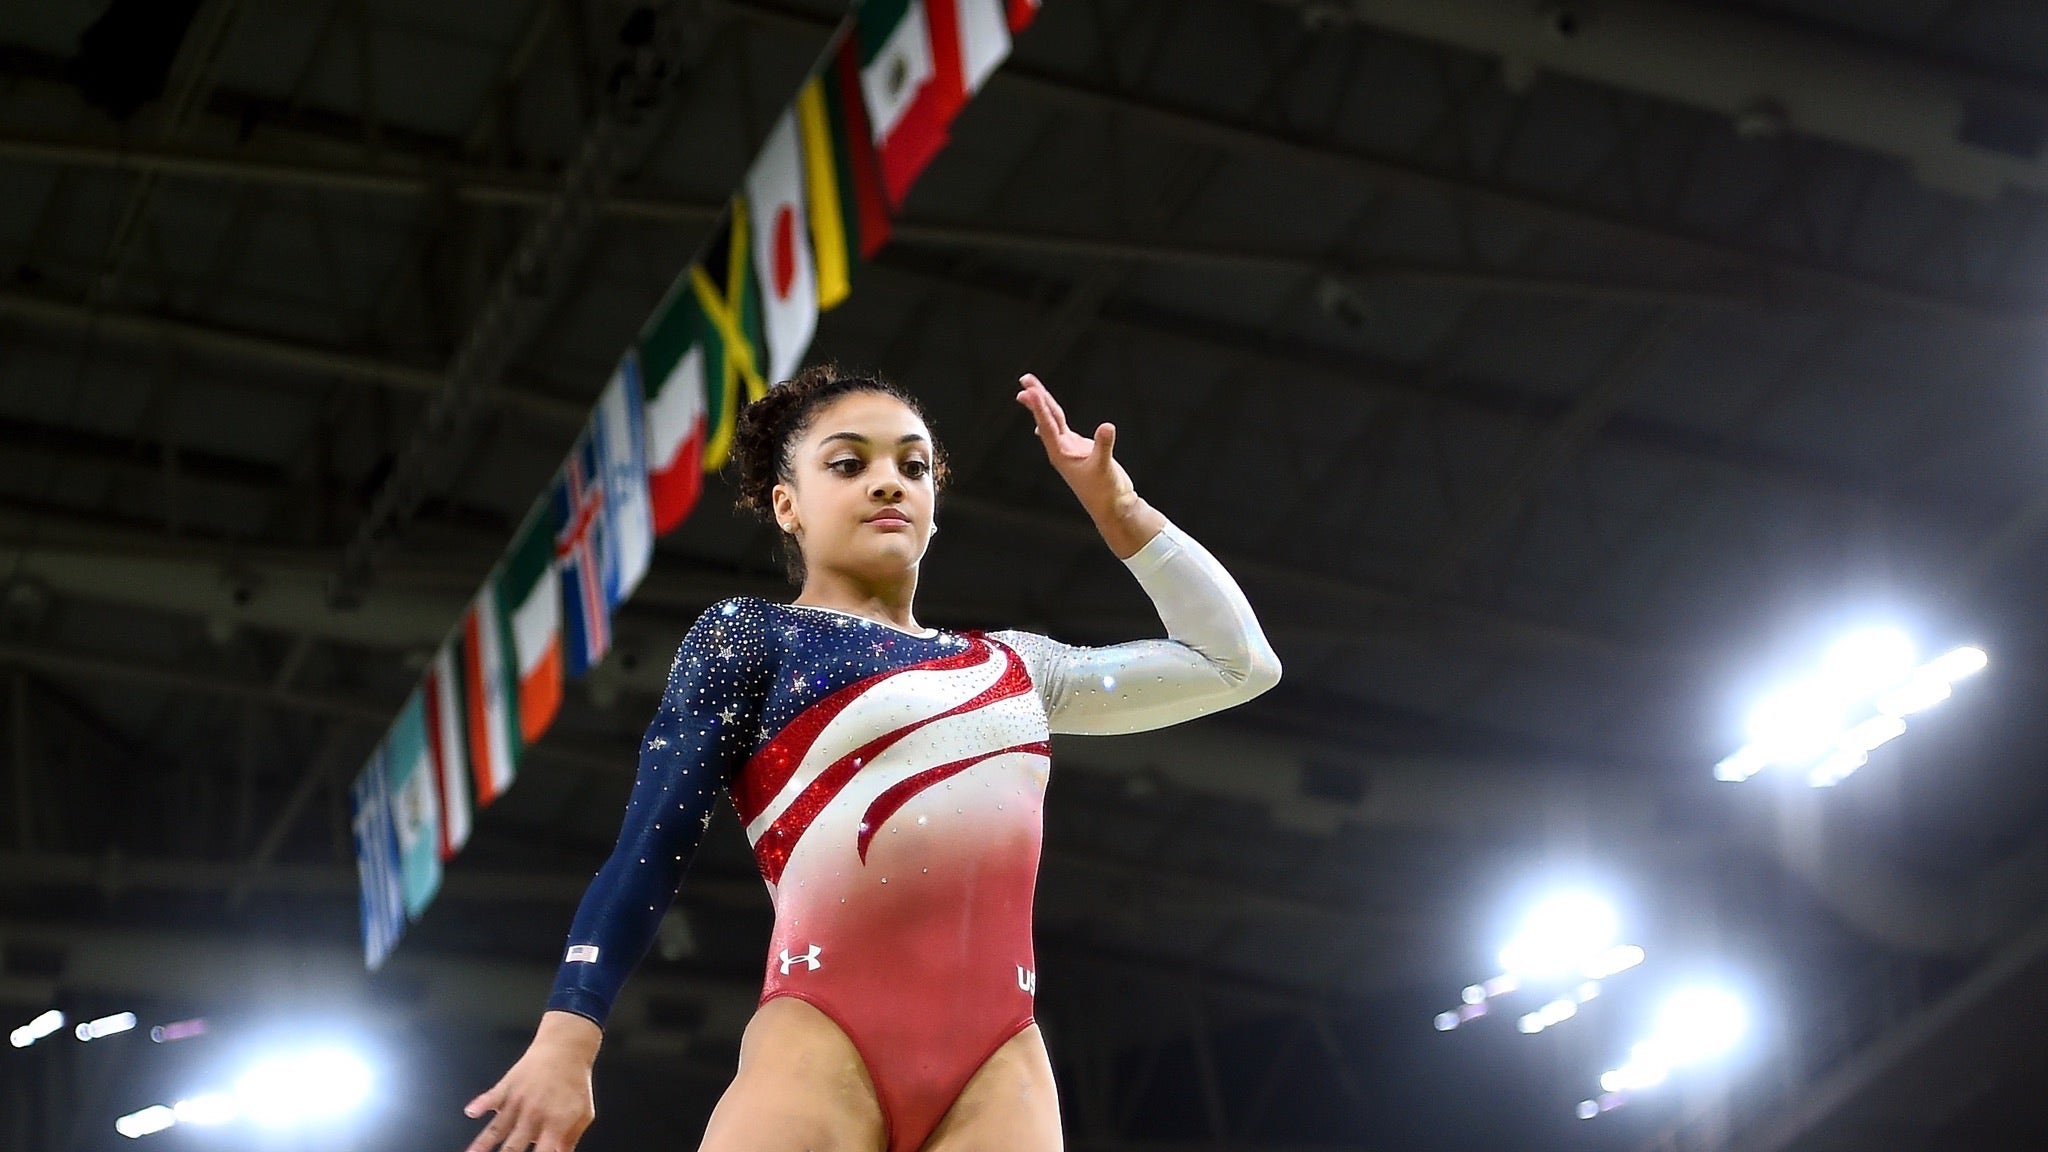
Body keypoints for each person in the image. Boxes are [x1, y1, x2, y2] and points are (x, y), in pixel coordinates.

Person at [462, 367, 1281, 1152]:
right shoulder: (751, 637)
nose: (889, 482)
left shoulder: (1017, 669)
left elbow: (1238, 664)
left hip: (1000, 1063)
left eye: (914, 466)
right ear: (787, 505)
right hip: (822, 1043)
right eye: (849, 464)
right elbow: (649, 845)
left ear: (934, 506)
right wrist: (568, 1035)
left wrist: (1121, 509)